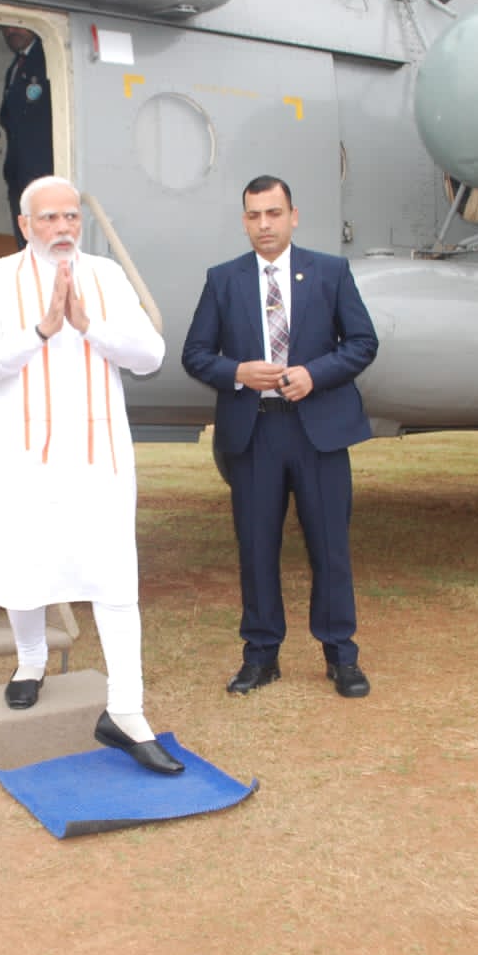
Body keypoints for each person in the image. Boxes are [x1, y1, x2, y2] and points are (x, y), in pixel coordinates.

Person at [0, 175, 183, 775]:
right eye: (49, 219)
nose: (63, 229)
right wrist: (42, 332)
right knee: (25, 566)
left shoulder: (104, 276)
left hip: (97, 458)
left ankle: (127, 710)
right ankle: (30, 661)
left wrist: (88, 324)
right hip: (21, 458)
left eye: (71, 217)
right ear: (25, 225)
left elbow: (151, 355)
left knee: (114, 578)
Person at [181, 175, 380, 699]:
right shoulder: (223, 280)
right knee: (256, 549)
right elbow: (196, 354)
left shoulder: (330, 273)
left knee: (330, 549)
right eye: (253, 215)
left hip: (319, 432)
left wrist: (316, 373)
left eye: (273, 213)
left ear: (294, 216)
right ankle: (261, 657)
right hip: (255, 434)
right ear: (244, 220)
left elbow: (362, 342)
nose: (264, 225)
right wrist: (239, 372)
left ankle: (342, 656)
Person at [0, 26, 53, 247]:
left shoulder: (50, 55)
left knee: (47, 246)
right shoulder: (14, 69)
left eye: (17, 22)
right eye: (6, 26)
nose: (11, 30)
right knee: (27, 245)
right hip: (19, 177)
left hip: (43, 174)